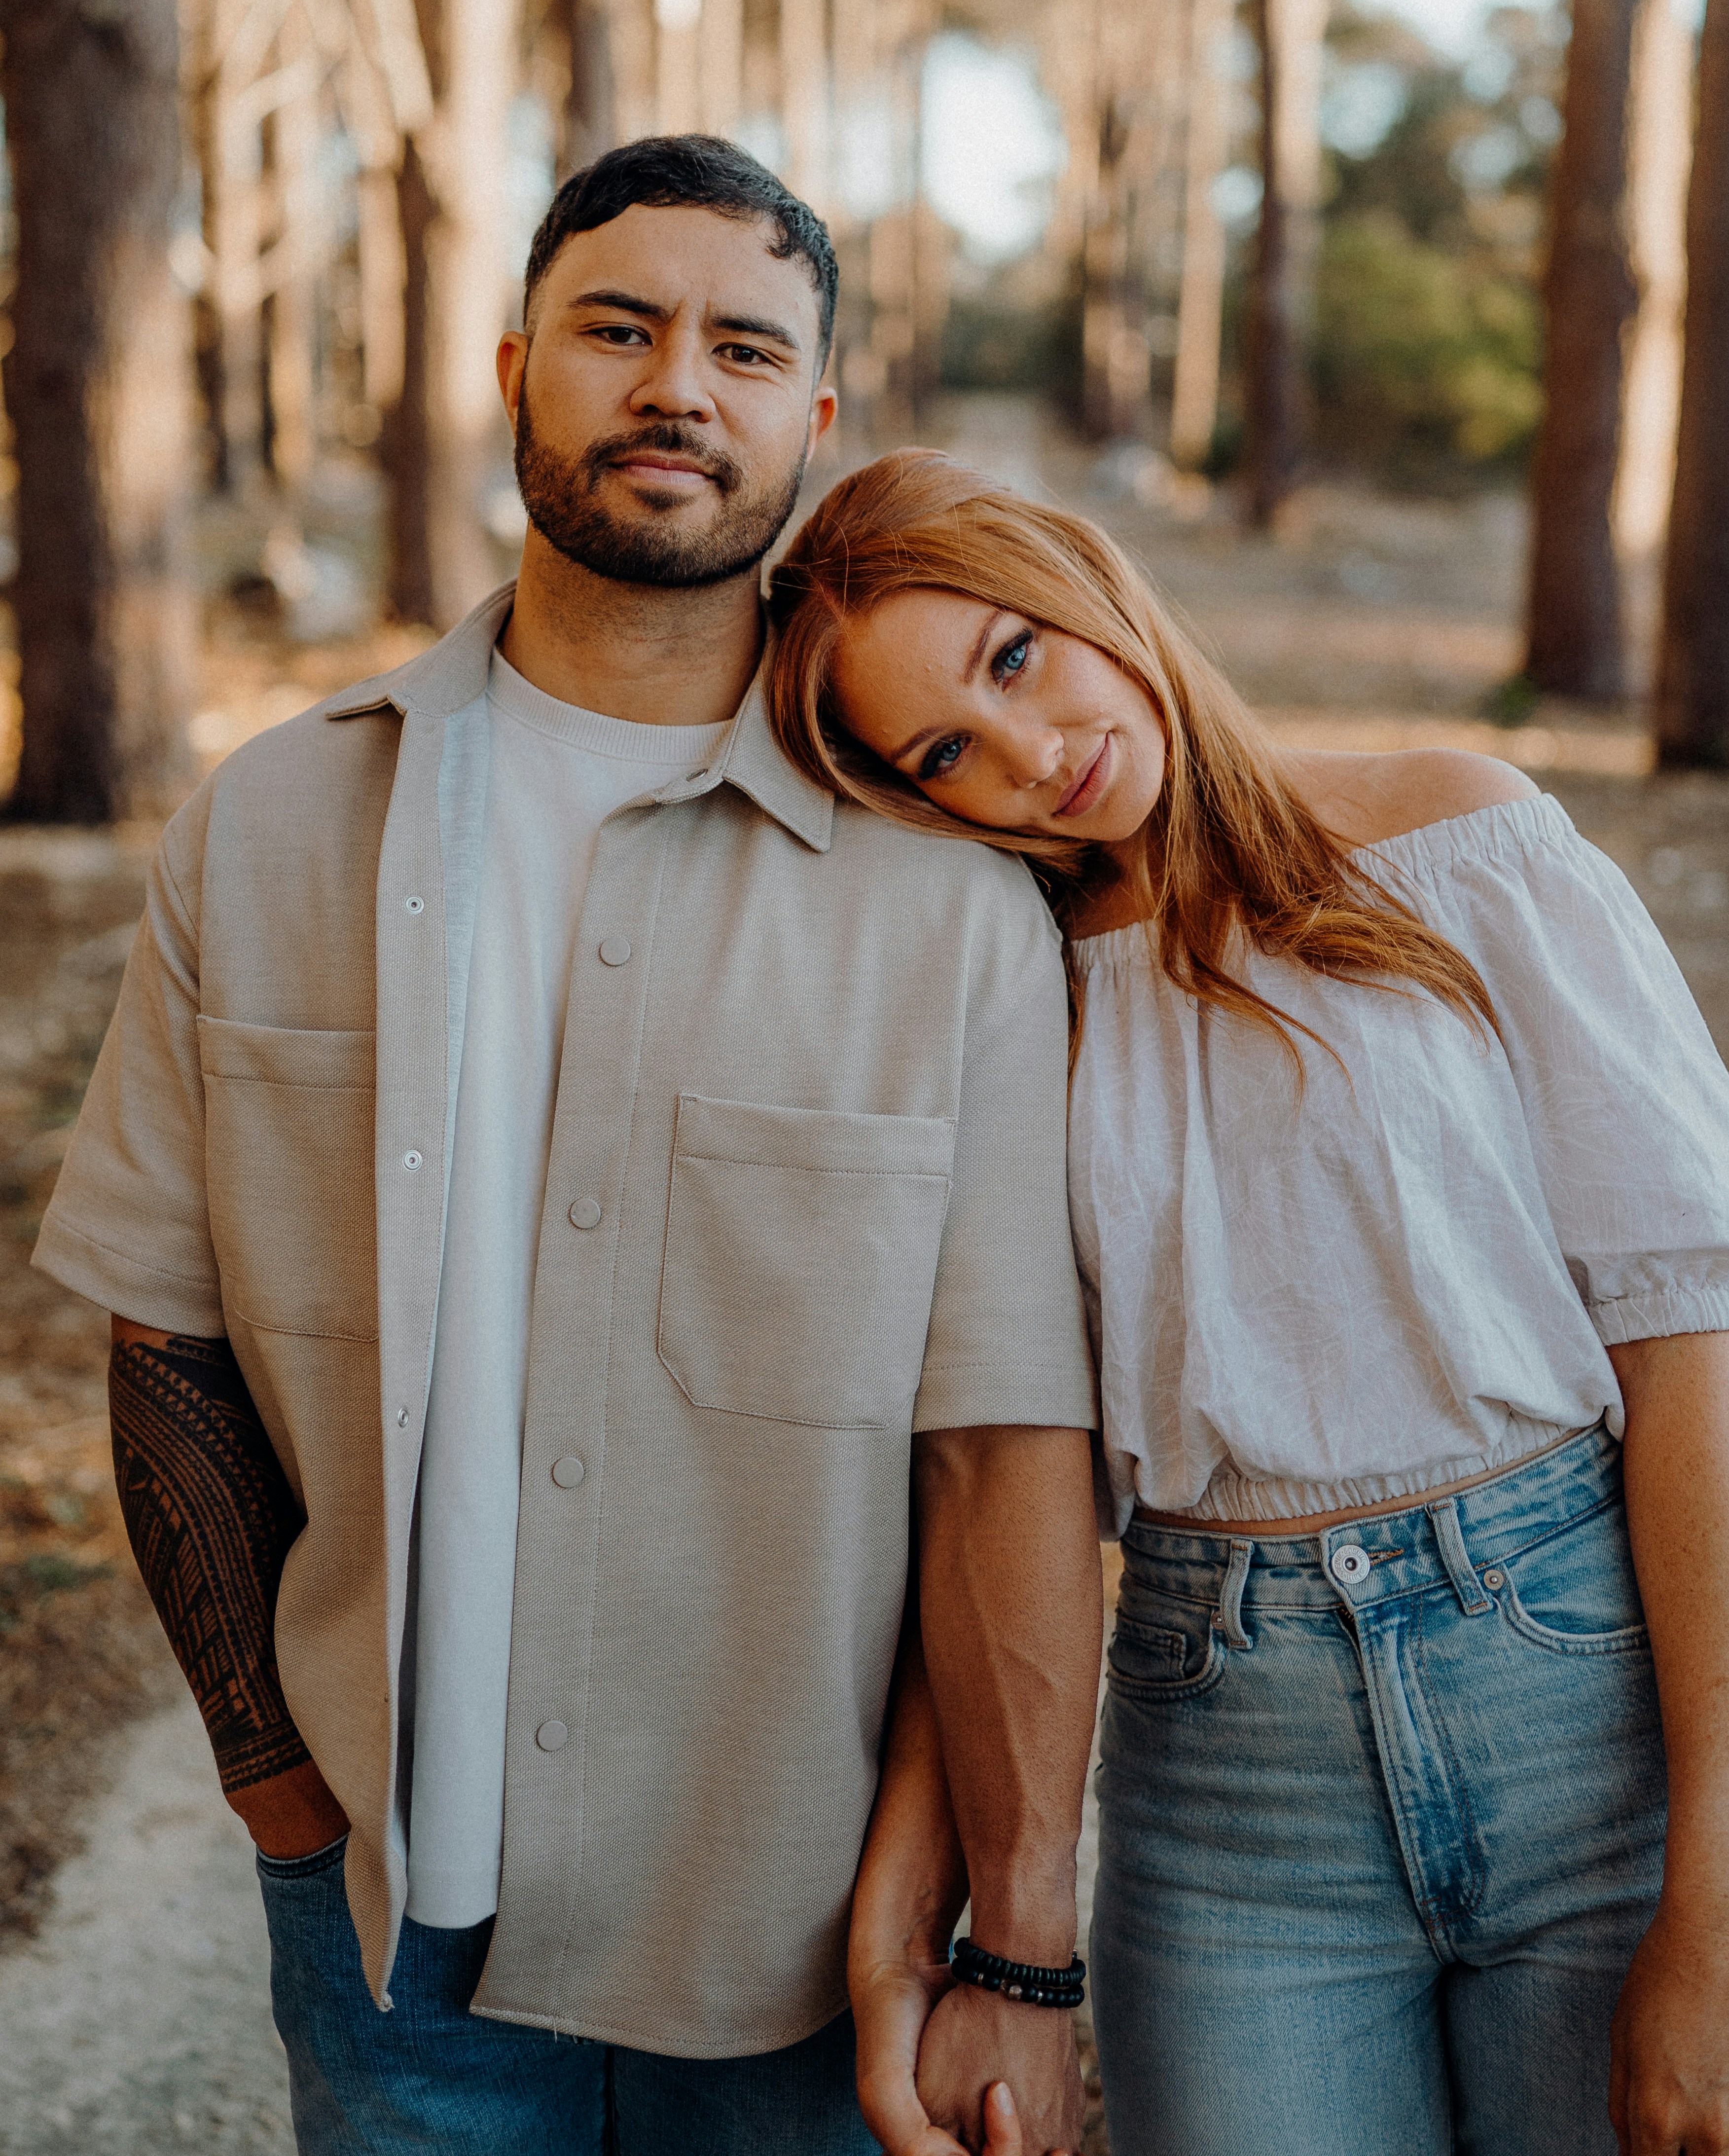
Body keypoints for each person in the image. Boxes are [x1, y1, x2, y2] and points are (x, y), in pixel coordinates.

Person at [36, 147, 1103, 2156]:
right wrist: (283, 1792)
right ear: (519, 367)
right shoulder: (266, 830)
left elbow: (1003, 1460)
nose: (673, 387)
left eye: (742, 347)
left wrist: (1009, 1939)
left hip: (796, 1950)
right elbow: (165, 1342)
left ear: (813, 417)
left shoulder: (946, 905)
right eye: (617, 330)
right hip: (386, 1931)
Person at [766, 446, 1729, 2156]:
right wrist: (973, 1922)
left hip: (1592, 1706)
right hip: (1229, 1786)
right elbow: (997, 1477)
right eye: (946, 755)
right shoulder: (1013, 1002)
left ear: (1085, 584)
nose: (1032, 758)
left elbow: (1686, 1355)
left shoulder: (1461, 839)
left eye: (1014, 657)